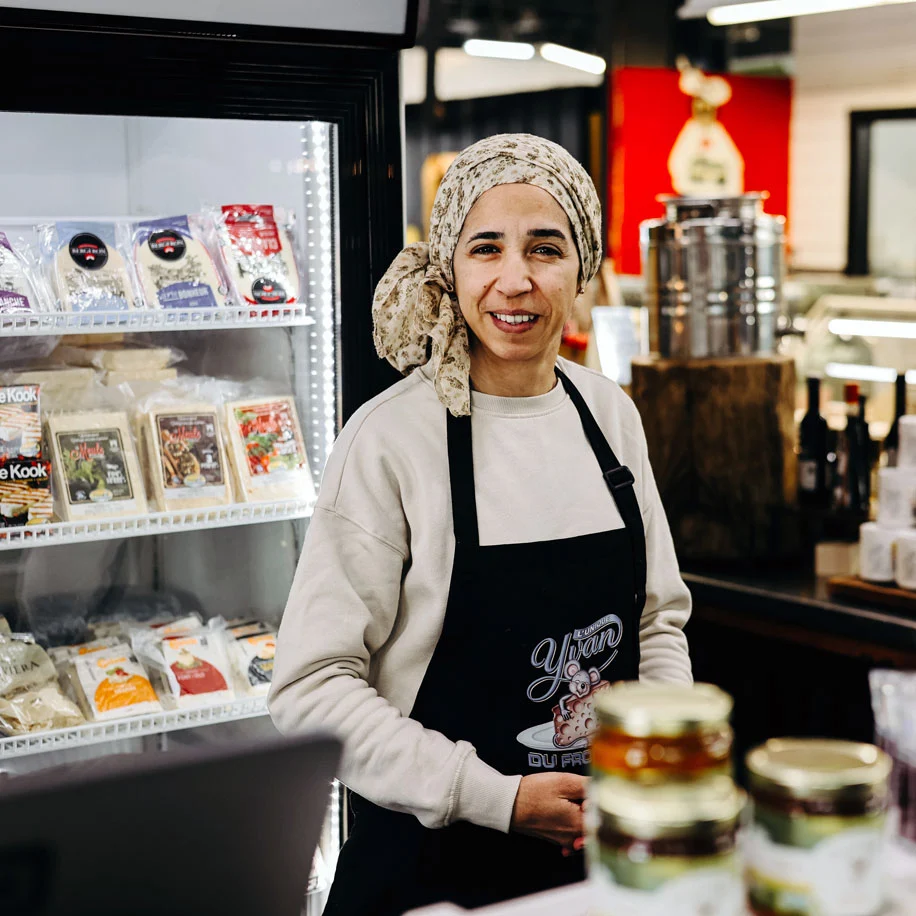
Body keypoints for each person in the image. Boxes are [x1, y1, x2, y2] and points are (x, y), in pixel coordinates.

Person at [269, 133, 692, 915]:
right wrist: (496, 797)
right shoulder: (393, 437)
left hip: (599, 864)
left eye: (546, 248)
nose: (515, 280)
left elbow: (656, 622)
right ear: (449, 267)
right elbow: (310, 688)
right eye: (486, 248)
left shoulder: (610, 417)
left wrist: (656, 763)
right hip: (429, 870)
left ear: (583, 267)